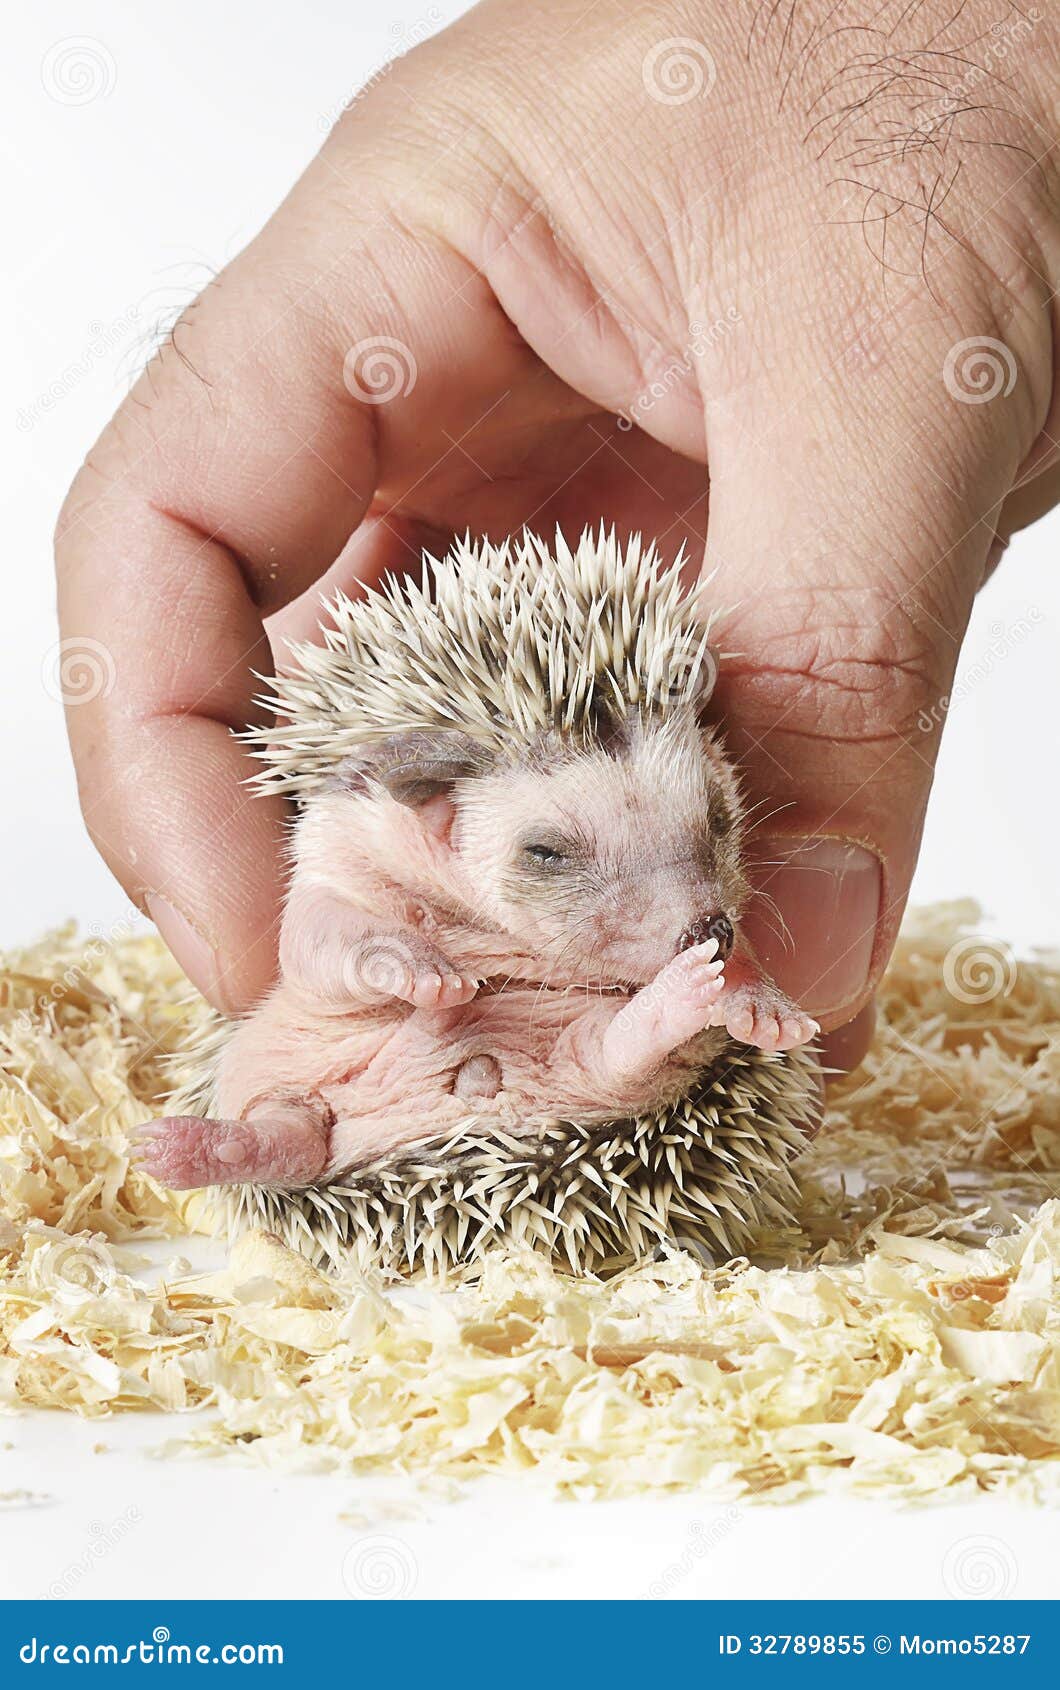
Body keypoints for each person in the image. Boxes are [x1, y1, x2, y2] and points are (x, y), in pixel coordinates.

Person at [54, 0, 1060, 1073]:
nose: (695, 918)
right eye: (549, 851)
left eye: (712, 827)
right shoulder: (367, 837)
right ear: (427, 810)